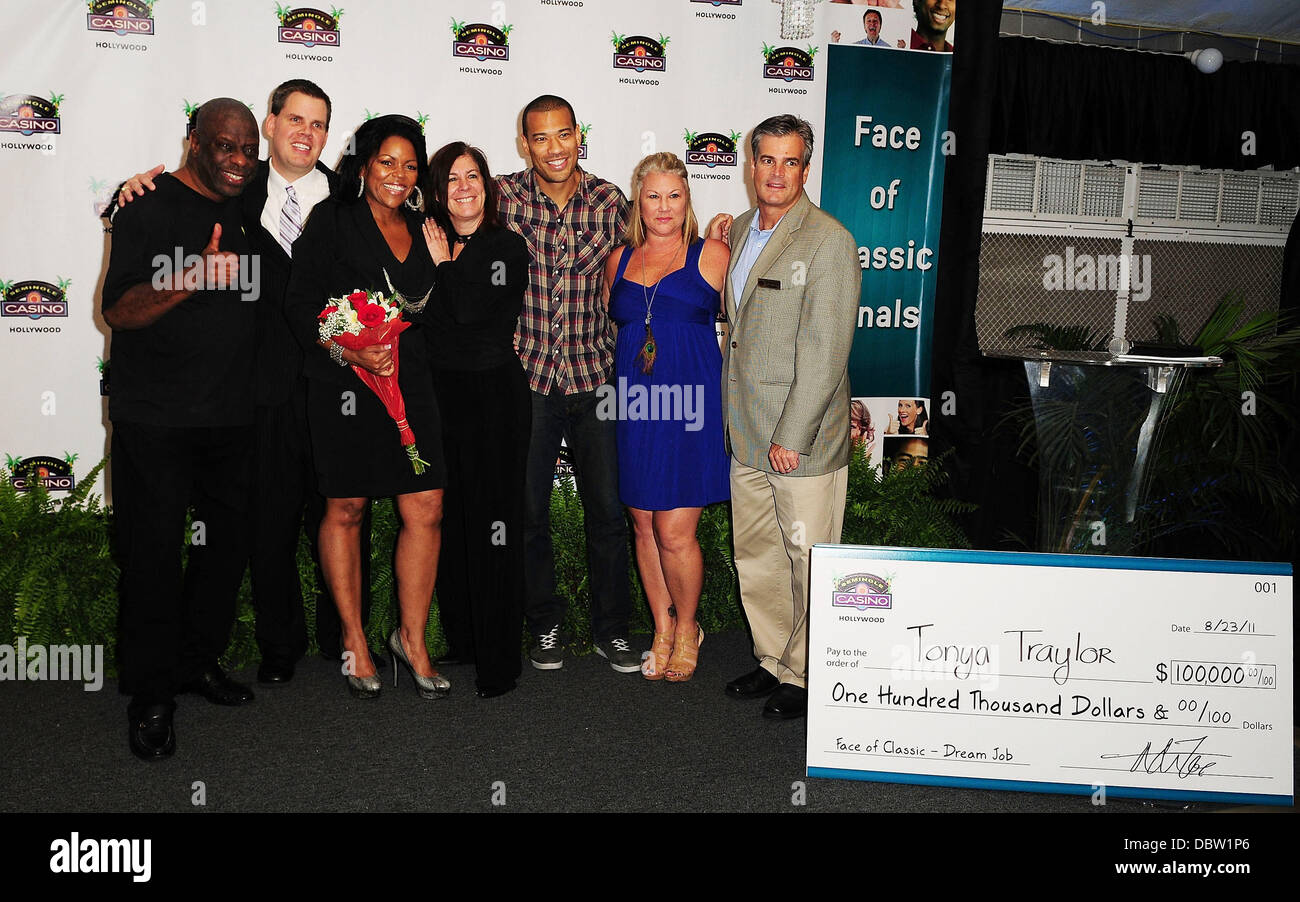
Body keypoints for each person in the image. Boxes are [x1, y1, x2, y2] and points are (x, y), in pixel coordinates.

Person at [114, 79, 380, 684]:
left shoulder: (348, 197)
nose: (305, 133)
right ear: (270, 125)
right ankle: (278, 648)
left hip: (338, 384)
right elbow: (177, 207)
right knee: (265, 525)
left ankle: (348, 641)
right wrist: (131, 189)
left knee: (345, 511)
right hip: (253, 391)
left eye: (318, 124)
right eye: (294, 120)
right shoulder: (236, 186)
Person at [101, 98, 261, 760]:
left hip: (233, 418)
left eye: (248, 150)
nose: (238, 161)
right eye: (225, 146)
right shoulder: (144, 204)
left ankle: (196, 661)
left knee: (224, 554)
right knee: (154, 558)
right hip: (156, 420)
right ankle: (151, 694)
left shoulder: (251, 204)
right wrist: (191, 275)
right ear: (194, 141)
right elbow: (119, 309)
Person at [284, 114, 448, 700]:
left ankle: (412, 636)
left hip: (412, 386)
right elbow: (300, 304)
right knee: (347, 507)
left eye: (410, 165)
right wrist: (351, 349)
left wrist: (445, 264)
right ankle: (354, 639)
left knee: (425, 505)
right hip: (344, 387)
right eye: (387, 162)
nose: (398, 176)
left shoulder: (426, 226)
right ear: (364, 164)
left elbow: (435, 306)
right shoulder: (332, 219)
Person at [715, 114, 861, 720]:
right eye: (766, 160)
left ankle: (806, 675)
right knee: (758, 555)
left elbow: (827, 351)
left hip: (798, 440)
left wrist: (793, 436)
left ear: (807, 167)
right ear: (752, 165)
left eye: (790, 161)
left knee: (808, 557)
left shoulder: (829, 240)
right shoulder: (743, 228)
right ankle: (774, 659)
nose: (776, 173)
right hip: (746, 431)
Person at [496, 95, 638, 673]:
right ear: (524, 143)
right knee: (528, 513)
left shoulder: (610, 201)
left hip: (595, 377)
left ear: (580, 135)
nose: (553, 148)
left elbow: (660, 244)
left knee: (607, 510)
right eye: (540, 138)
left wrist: (718, 228)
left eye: (563, 135)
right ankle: (545, 625)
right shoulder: (501, 196)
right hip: (528, 377)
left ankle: (614, 629)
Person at [603, 152, 730, 682]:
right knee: (643, 525)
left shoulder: (714, 254)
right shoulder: (618, 261)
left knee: (676, 531)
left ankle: (688, 628)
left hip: (691, 410)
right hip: (638, 407)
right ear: (639, 200)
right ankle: (660, 625)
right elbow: (621, 336)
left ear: (687, 200)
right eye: (652, 195)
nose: (663, 207)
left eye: (674, 196)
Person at [420, 142, 530, 698]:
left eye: (473, 177)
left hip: (493, 403)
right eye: (452, 179)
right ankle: (464, 639)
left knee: (494, 528)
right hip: (441, 400)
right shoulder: (427, 241)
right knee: (453, 522)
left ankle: (500, 660)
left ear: (487, 187)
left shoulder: (506, 247)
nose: (464, 187)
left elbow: (466, 313)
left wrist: (443, 267)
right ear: (437, 191)